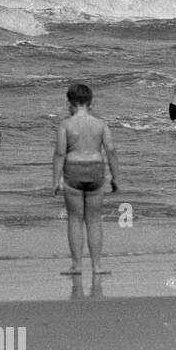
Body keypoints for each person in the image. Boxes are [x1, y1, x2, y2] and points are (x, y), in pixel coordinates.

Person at [52, 83, 119, 276]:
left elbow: (59, 154)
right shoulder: (100, 124)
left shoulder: (66, 125)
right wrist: (116, 177)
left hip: (74, 169)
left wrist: (56, 180)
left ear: (70, 103)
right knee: (94, 221)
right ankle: (97, 266)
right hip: (96, 169)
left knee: (75, 220)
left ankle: (77, 266)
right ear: (90, 102)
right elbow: (111, 151)